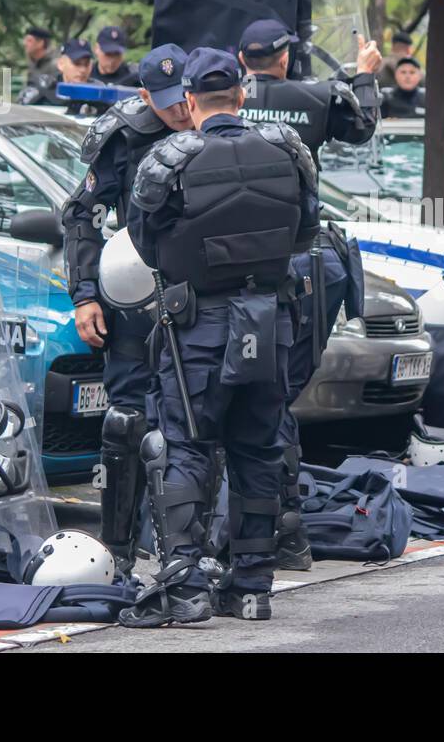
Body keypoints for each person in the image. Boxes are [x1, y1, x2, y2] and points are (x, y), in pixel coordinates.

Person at [120, 48, 320, 626]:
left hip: (199, 324)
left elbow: (145, 244)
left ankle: (184, 585)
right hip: (270, 320)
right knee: (259, 449)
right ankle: (253, 588)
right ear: (242, 93)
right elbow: (306, 228)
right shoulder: (287, 151)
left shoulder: (169, 160)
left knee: (183, 447)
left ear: (187, 99)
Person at [237, 18, 381, 570]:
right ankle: (286, 528)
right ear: (284, 55)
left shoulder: (214, 102)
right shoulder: (313, 96)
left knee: (240, 401)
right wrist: (362, 75)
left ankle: (248, 525)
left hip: (232, 271)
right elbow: (360, 124)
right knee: (278, 399)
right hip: (297, 266)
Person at [60, 44, 195, 574]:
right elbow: (82, 216)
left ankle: (186, 550)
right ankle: (117, 550)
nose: (178, 110)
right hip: (135, 297)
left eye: (183, 96)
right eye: (164, 102)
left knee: (196, 421)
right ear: (144, 96)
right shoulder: (125, 137)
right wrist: (85, 294)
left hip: (200, 297)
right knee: (126, 420)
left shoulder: (218, 119)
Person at [19, 27, 61, 105]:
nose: (25, 43)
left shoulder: (55, 65)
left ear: (40, 43)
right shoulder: (33, 62)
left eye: (29, 40)